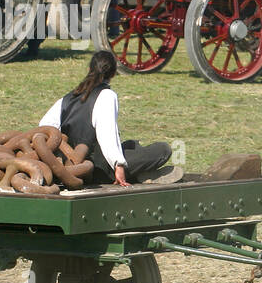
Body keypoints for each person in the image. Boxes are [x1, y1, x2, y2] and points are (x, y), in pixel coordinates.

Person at [38, 50, 176, 186]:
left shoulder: (66, 99)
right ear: (113, 73)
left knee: (131, 145)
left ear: (89, 69)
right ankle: (138, 174)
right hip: (96, 169)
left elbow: (44, 127)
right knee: (163, 149)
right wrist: (119, 165)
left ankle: (139, 172)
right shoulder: (107, 96)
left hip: (72, 166)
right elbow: (107, 133)